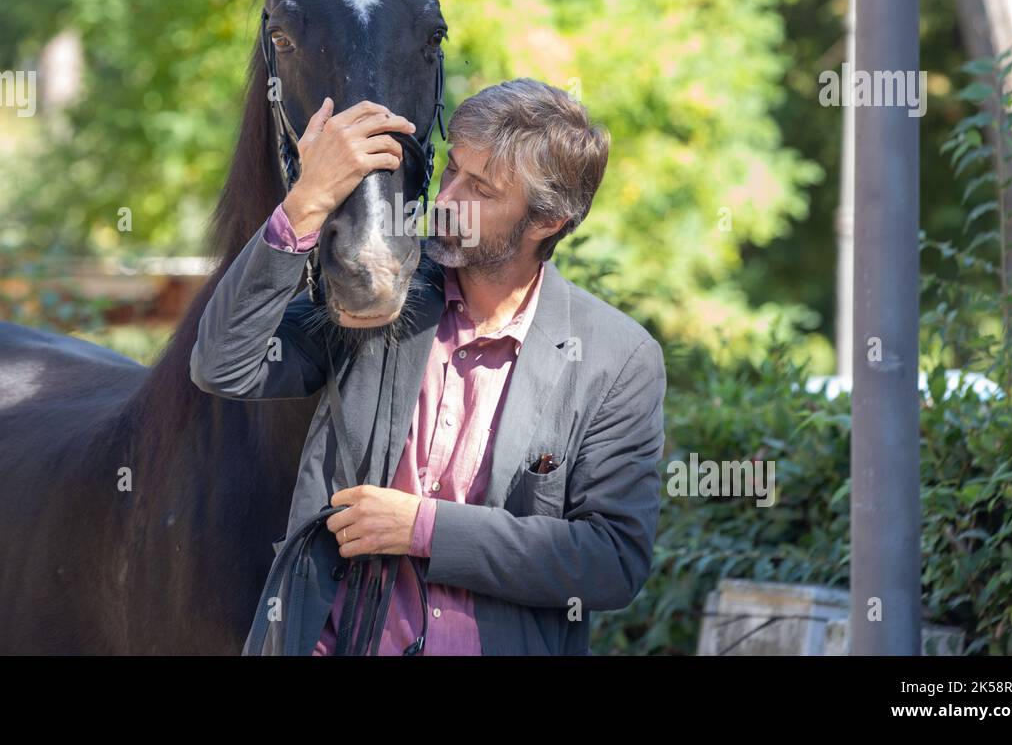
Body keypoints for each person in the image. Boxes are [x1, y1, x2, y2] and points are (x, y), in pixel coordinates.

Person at [191, 77, 666, 655]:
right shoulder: (379, 293)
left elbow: (611, 561)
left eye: (481, 190)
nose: (445, 201)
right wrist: (306, 201)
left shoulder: (618, 359)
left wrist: (423, 528)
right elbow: (223, 364)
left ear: (547, 220)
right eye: (452, 172)